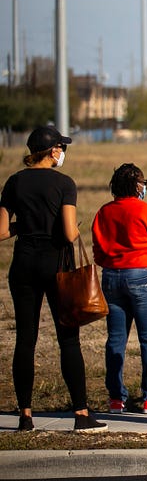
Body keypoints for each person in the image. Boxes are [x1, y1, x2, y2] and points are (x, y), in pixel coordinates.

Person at [0, 126, 106, 432]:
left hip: (23, 265)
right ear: (51, 151)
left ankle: (25, 415)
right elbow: (70, 232)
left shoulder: (14, 182)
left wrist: (24, 227)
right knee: (68, 340)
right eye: (62, 147)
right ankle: (82, 414)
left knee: (25, 339)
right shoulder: (64, 183)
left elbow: (3, 231)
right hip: (56, 265)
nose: (63, 153)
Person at [91, 163, 147, 415]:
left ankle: (116, 398)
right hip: (145, 277)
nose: (145, 187)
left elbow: (98, 252)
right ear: (136, 186)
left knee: (116, 340)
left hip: (111, 278)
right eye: (143, 182)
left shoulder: (104, 212)